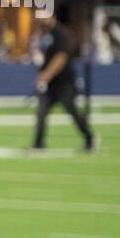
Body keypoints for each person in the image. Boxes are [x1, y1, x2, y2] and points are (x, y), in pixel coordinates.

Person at [31, 13, 95, 151]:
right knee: (41, 112)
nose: (40, 20)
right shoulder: (46, 35)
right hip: (51, 85)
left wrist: (46, 75)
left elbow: (61, 58)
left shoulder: (59, 35)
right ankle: (38, 144)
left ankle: (90, 138)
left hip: (64, 84)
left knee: (73, 112)